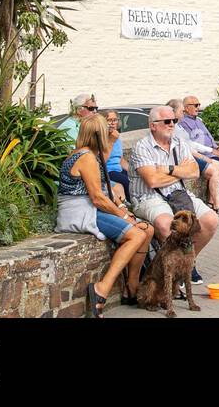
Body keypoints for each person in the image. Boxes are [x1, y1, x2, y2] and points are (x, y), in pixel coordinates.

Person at [56, 113, 154, 316]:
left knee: (148, 229)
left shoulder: (86, 153)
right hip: (81, 212)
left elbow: (102, 184)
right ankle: (102, 288)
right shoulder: (86, 158)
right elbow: (97, 198)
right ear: (99, 134)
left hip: (87, 208)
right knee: (137, 233)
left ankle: (131, 286)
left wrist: (121, 209)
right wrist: (125, 216)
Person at [129, 106, 219, 285]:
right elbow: (152, 181)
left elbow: (194, 171)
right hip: (149, 197)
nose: (172, 125)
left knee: (210, 220)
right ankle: (176, 270)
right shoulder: (142, 147)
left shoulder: (179, 143)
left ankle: (188, 263)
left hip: (178, 193)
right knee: (166, 225)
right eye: (167, 121)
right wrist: (180, 171)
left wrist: (169, 169)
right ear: (153, 125)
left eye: (174, 121)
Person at [167, 97, 219, 216]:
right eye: (181, 111)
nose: (183, 113)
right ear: (173, 112)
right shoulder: (172, 128)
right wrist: (203, 157)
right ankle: (217, 205)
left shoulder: (179, 126)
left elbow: (191, 143)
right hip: (186, 158)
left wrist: (212, 150)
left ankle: (211, 203)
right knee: (214, 170)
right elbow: (186, 147)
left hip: (192, 154)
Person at [102, 110, 131, 202]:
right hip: (108, 171)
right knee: (126, 182)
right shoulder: (102, 138)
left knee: (136, 179)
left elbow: (120, 159)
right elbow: (101, 161)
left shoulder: (116, 137)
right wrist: (111, 141)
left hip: (118, 169)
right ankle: (131, 206)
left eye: (115, 120)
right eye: (109, 120)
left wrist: (133, 170)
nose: (112, 123)